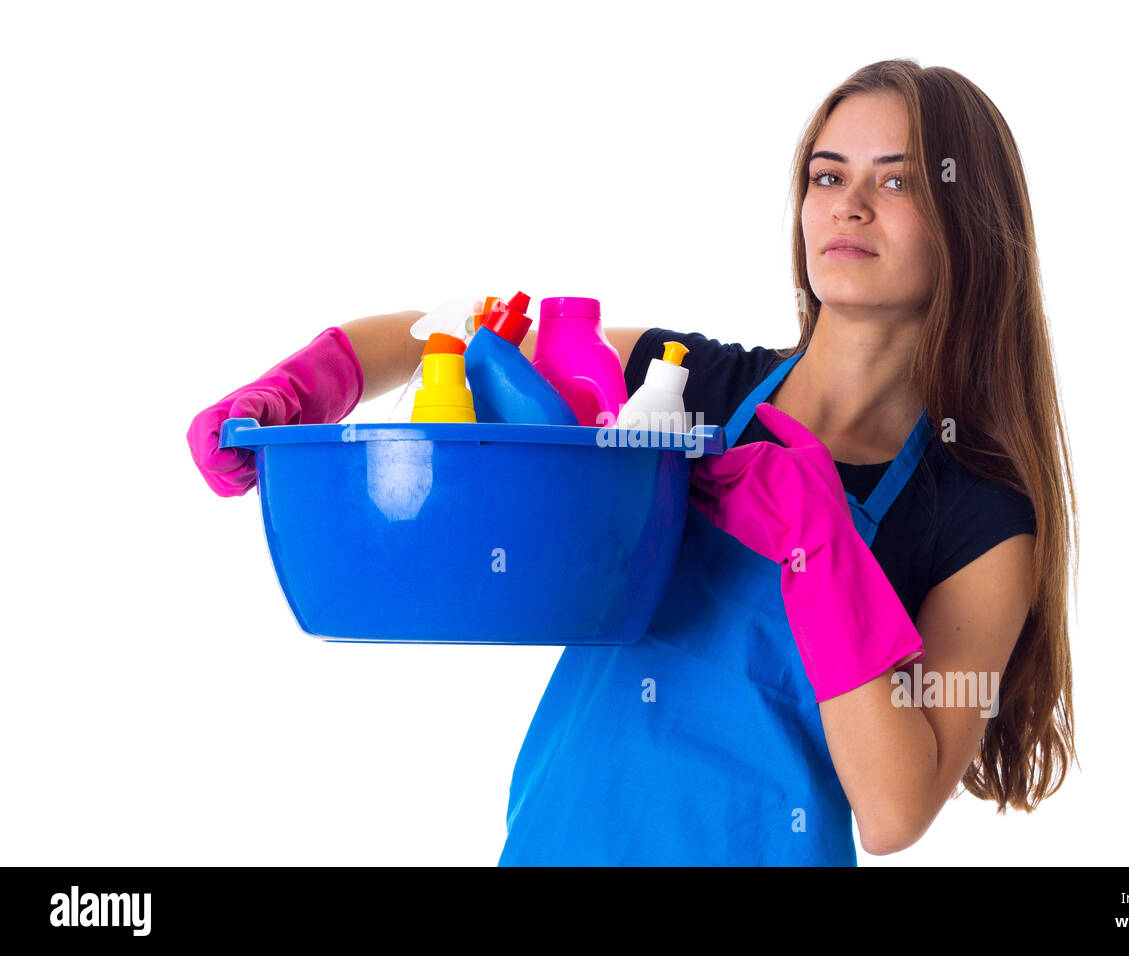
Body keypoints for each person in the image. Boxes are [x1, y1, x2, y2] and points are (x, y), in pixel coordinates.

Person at [187, 58, 1077, 865]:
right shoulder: (680, 387)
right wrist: (309, 382)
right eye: (828, 175)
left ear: (970, 221)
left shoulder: (979, 517)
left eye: (899, 181)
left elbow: (894, 811)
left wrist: (820, 541)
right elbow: (450, 339)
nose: (849, 204)